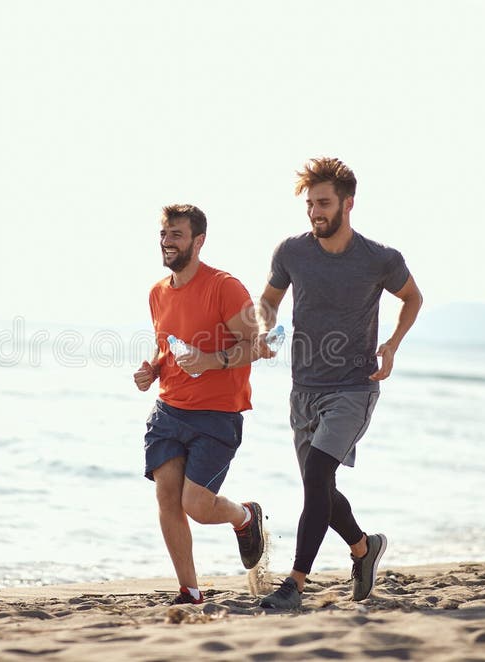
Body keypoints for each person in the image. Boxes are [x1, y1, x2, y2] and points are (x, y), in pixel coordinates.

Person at [256, 157, 423, 609]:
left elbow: (412, 297)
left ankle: (295, 584)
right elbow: (269, 301)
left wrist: (391, 344)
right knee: (320, 490)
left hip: (353, 386)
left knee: (315, 476)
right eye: (310, 204)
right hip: (303, 388)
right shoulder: (291, 252)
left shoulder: (379, 259)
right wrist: (264, 328)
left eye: (324, 203)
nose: (315, 212)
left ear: (348, 203)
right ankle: (364, 548)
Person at [133, 203, 268, 605]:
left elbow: (256, 347)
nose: (167, 242)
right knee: (166, 496)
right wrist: (152, 370)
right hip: (169, 411)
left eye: (176, 234)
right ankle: (189, 591)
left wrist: (210, 360)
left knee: (196, 506)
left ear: (198, 240)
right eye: (163, 234)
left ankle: (244, 517)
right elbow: (167, 348)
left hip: (217, 414)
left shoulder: (225, 287)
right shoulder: (157, 293)